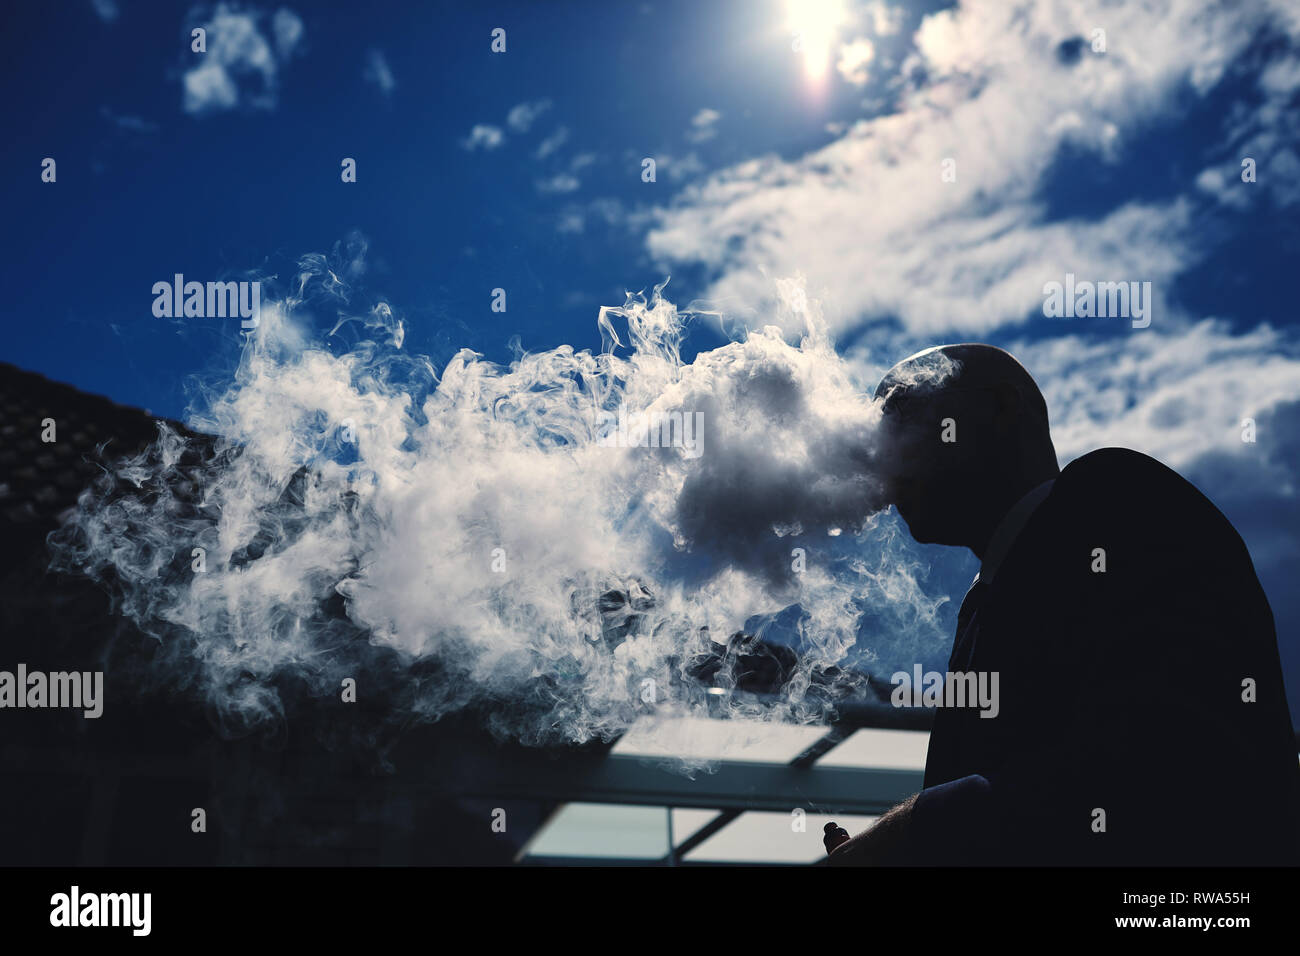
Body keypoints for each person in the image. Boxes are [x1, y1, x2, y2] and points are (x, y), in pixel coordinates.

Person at [827, 344, 1300, 865]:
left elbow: (1169, 760)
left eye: (900, 415)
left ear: (1001, 409)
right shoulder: (983, 605)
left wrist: (909, 837)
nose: (880, 453)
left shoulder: (1116, 496)